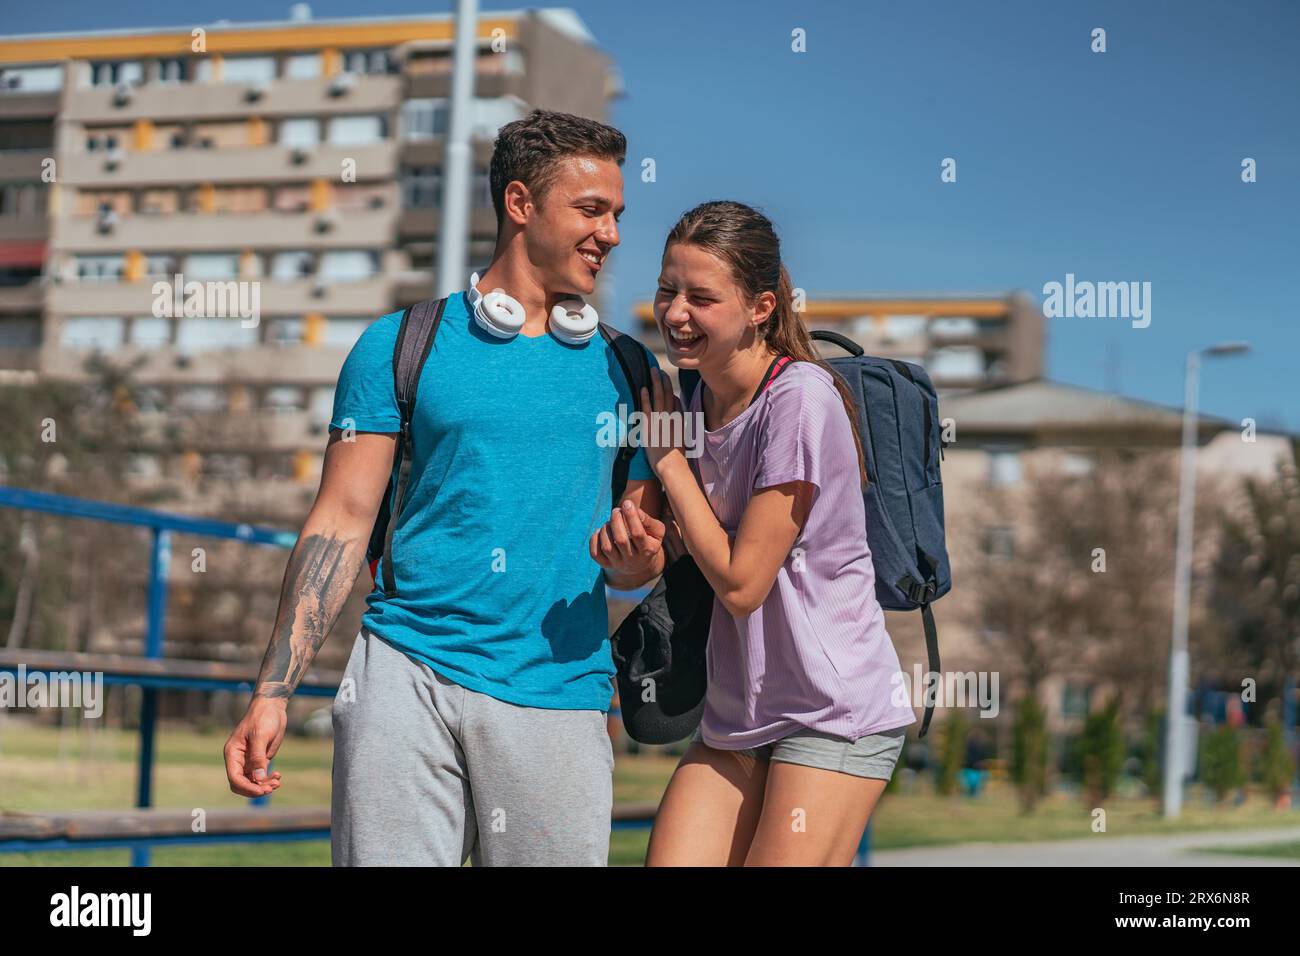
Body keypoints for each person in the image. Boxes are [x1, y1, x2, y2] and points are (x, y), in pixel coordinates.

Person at [223, 109, 667, 866]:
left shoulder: (635, 376)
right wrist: (273, 689)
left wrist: (632, 559)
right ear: (521, 204)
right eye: (592, 210)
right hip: (403, 672)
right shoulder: (398, 344)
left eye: (619, 214)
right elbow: (340, 520)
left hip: (557, 691)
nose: (613, 234)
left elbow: (642, 554)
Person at [639, 200, 916, 866]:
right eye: (667, 290)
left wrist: (669, 460)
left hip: (832, 714)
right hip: (739, 716)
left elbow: (741, 583)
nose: (676, 313)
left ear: (761, 306)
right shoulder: (690, 402)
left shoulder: (799, 400)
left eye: (701, 298)